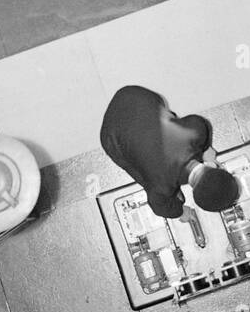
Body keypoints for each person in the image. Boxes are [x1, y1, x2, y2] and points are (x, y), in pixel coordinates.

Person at [99, 84, 241, 220]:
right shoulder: (162, 187)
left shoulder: (198, 131)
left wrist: (204, 149)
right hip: (111, 132)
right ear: (193, 192)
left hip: (132, 95)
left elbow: (196, 121)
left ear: (214, 166)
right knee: (147, 181)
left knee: (170, 122)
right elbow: (159, 207)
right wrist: (180, 212)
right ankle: (173, 196)